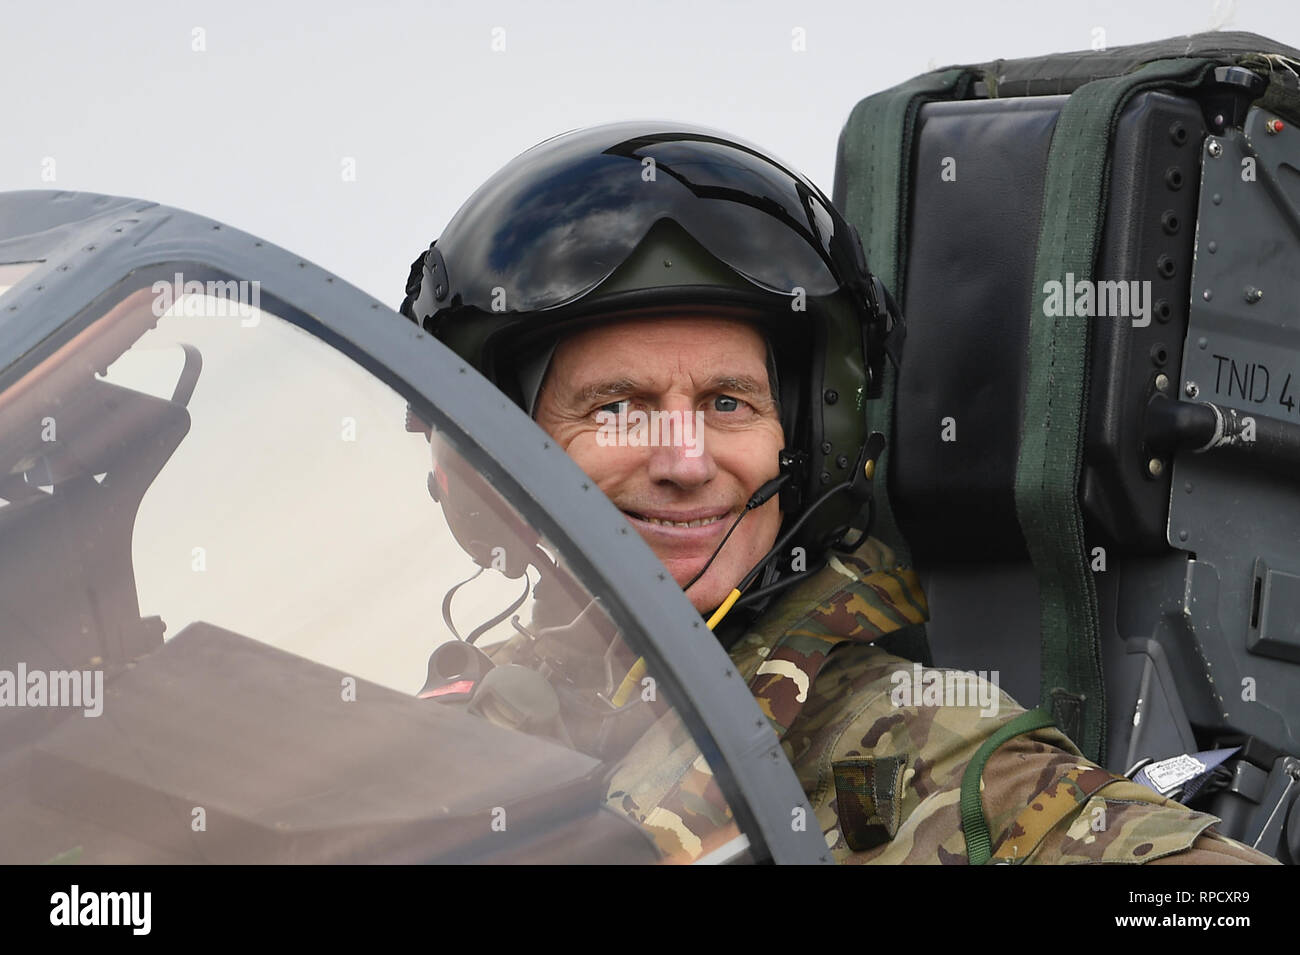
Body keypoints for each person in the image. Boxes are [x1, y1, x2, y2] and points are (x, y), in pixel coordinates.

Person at [400, 121, 1274, 864]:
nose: (684, 459)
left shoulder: (926, 755)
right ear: (497, 459)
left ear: (813, 446)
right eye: (617, 407)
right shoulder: (455, 740)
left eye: (727, 403)